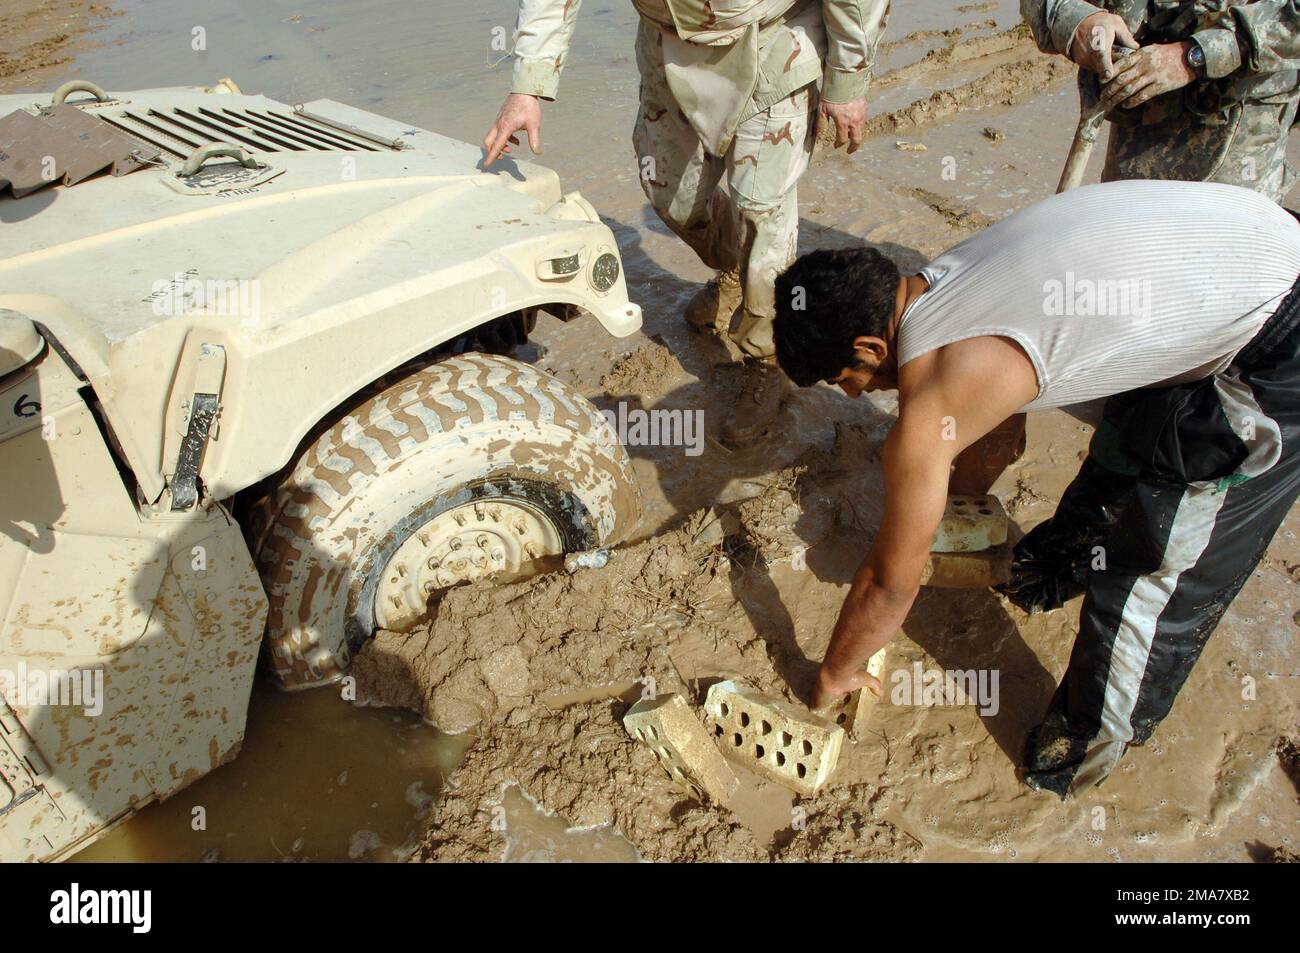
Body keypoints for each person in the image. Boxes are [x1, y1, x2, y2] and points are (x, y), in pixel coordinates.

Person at [773, 179, 1300, 796]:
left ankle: (1072, 759)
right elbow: (1002, 435)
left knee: (1158, 558)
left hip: (1278, 334)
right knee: (1132, 441)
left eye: (846, 379)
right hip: (1255, 235)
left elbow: (888, 583)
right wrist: (945, 514)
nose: (857, 395)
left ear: (869, 345)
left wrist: (838, 670)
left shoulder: (938, 388)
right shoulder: (952, 276)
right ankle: (1044, 576)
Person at [483, 0, 889, 444]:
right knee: (669, 192)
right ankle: (737, 269)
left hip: (773, 40)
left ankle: (767, 357)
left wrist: (847, 79)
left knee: (762, 209)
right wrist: (529, 84)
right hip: (667, 43)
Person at [1023, 0, 1299, 201]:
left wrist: (1196, 56)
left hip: (1237, 164)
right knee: (1122, 265)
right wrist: (1078, 21)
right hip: (1132, 152)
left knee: (1227, 269)